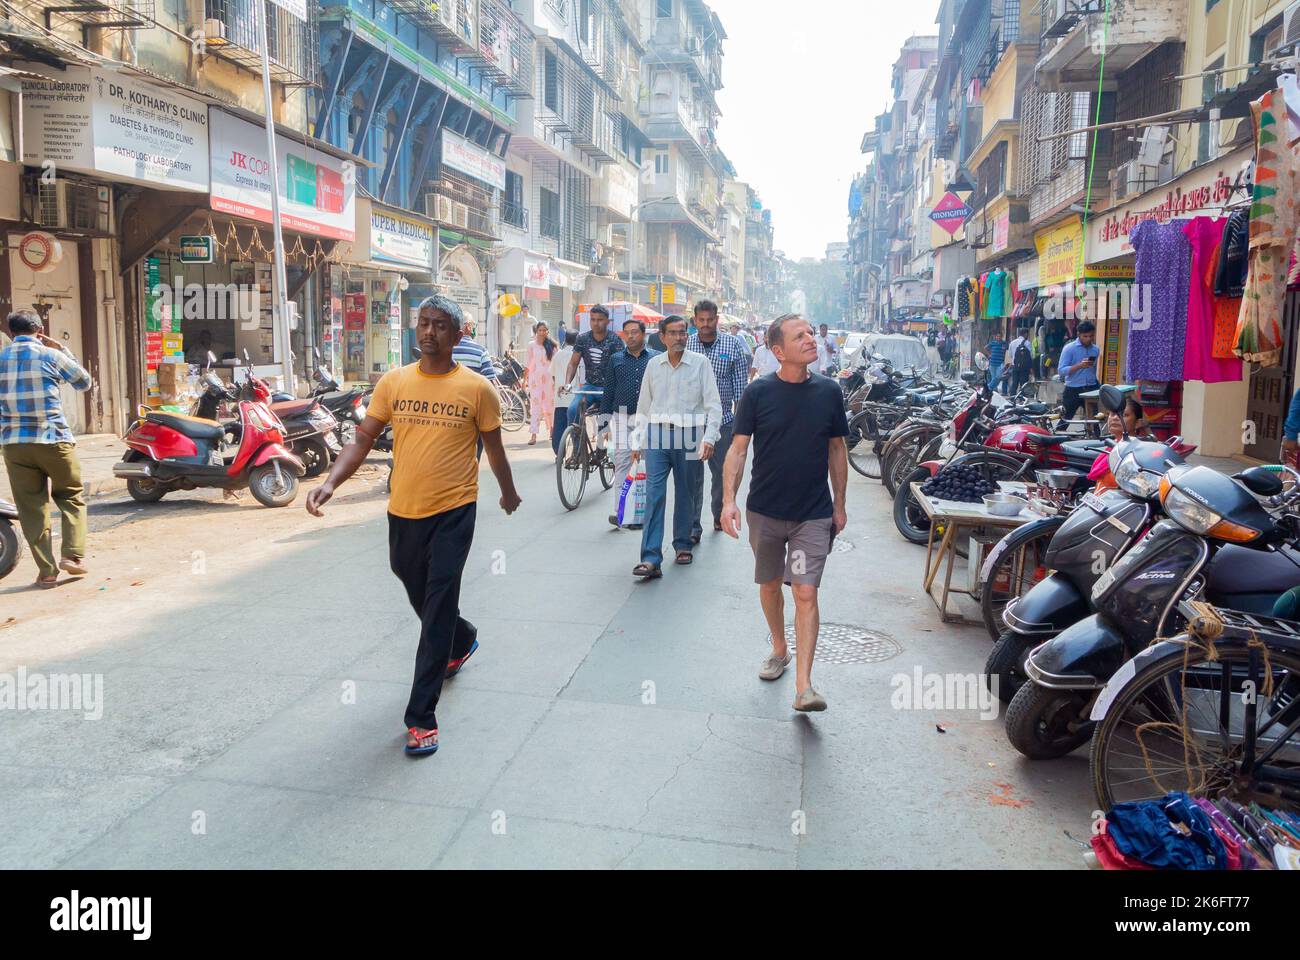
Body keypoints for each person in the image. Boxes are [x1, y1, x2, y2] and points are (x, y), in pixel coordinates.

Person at [305, 295, 521, 757]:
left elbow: (495, 449)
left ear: (458, 334)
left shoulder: (477, 388)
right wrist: (330, 483)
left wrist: (507, 490)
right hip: (403, 509)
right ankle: (461, 638)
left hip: (454, 510)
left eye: (439, 325)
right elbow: (362, 439)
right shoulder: (394, 381)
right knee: (412, 582)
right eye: (423, 323)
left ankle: (421, 717)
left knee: (438, 603)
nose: (428, 332)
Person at [721, 314, 848, 713]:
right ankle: (780, 648)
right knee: (772, 584)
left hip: (811, 513)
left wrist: (839, 504)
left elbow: (837, 450)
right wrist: (728, 500)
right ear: (778, 351)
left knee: (805, 591)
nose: (811, 339)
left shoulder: (829, 392)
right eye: (801, 336)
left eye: (811, 332)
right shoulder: (758, 393)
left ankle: (804, 687)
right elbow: (738, 450)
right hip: (767, 511)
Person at [0, 310, 93, 588]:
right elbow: (84, 382)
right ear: (40, 330)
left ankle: (47, 571)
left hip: (15, 445)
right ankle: (73, 557)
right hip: (54, 439)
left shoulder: (1, 359)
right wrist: (62, 349)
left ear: (11, 332)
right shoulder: (51, 356)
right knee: (71, 496)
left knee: (31, 507)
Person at [630, 315, 721, 579]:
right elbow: (643, 405)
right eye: (674, 333)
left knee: (685, 493)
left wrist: (709, 438)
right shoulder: (653, 365)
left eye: (683, 332)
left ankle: (682, 544)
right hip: (658, 436)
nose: (680, 337)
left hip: (690, 435)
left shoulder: (700, 364)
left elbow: (713, 404)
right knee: (654, 495)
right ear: (662, 336)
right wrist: (637, 441)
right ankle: (650, 558)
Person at [687, 300, 749, 541]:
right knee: (692, 475)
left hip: (723, 420)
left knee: (721, 474)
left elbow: (741, 389)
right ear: (694, 321)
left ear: (717, 319)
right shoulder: (687, 344)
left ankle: (718, 514)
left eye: (710, 319)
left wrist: (740, 426)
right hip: (691, 422)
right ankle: (693, 526)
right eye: (701, 320)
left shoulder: (733, 345)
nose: (706, 324)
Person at [602, 317, 659, 528]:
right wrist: (603, 424)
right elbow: (608, 392)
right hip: (621, 418)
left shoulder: (655, 359)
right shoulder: (616, 359)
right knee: (623, 464)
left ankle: (644, 514)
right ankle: (620, 512)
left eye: (635, 332)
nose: (631, 336)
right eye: (627, 332)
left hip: (648, 419)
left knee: (646, 466)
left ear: (643, 334)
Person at [563, 304, 623, 431]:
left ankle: (604, 446)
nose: (596, 323)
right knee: (572, 410)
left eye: (600, 320)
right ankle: (578, 447)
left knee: (606, 422)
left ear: (607, 321)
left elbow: (621, 366)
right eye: (593, 319)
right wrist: (567, 383)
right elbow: (573, 363)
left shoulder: (615, 340)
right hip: (589, 387)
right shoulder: (582, 338)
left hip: (609, 389)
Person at [1058, 320, 1100, 422]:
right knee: (1065, 420)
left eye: (1091, 336)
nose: (1088, 339)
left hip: (1091, 387)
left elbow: (1094, 368)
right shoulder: (1069, 349)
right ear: (1078, 334)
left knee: (1094, 421)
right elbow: (1061, 371)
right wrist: (1079, 366)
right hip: (1073, 389)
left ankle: (1093, 436)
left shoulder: (1095, 349)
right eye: (1085, 336)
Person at [523, 322, 556, 446]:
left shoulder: (552, 346)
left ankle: (552, 431)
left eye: (544, 330)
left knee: (550, 406)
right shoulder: (531, 345)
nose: (542, 332)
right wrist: (524, 380)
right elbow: (528, 364)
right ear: (536, 331)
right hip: (535, 381)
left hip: (549, 381)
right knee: (535, 407)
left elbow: (556, 364)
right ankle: (533, 434)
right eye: (540, 330)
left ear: (547, 331)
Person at [549, 329, 578, 456]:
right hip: (575, 397)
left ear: (565, 340)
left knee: (559, 428)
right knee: (576, 427)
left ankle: (559, 453)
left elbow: (553, 375)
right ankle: (577, 453)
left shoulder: (558, 355)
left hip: (560, 397)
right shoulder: (579, 356)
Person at [1005, 326, 1033, 397]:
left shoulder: (1012, 343)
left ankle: (1012, 398)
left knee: (1014, 383)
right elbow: (1031, 355)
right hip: (1024, 368)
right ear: (1026, 334)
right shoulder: (1027, 343)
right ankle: (1022, 399)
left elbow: (1010, 355)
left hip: (1015, 366)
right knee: (1023, 384)